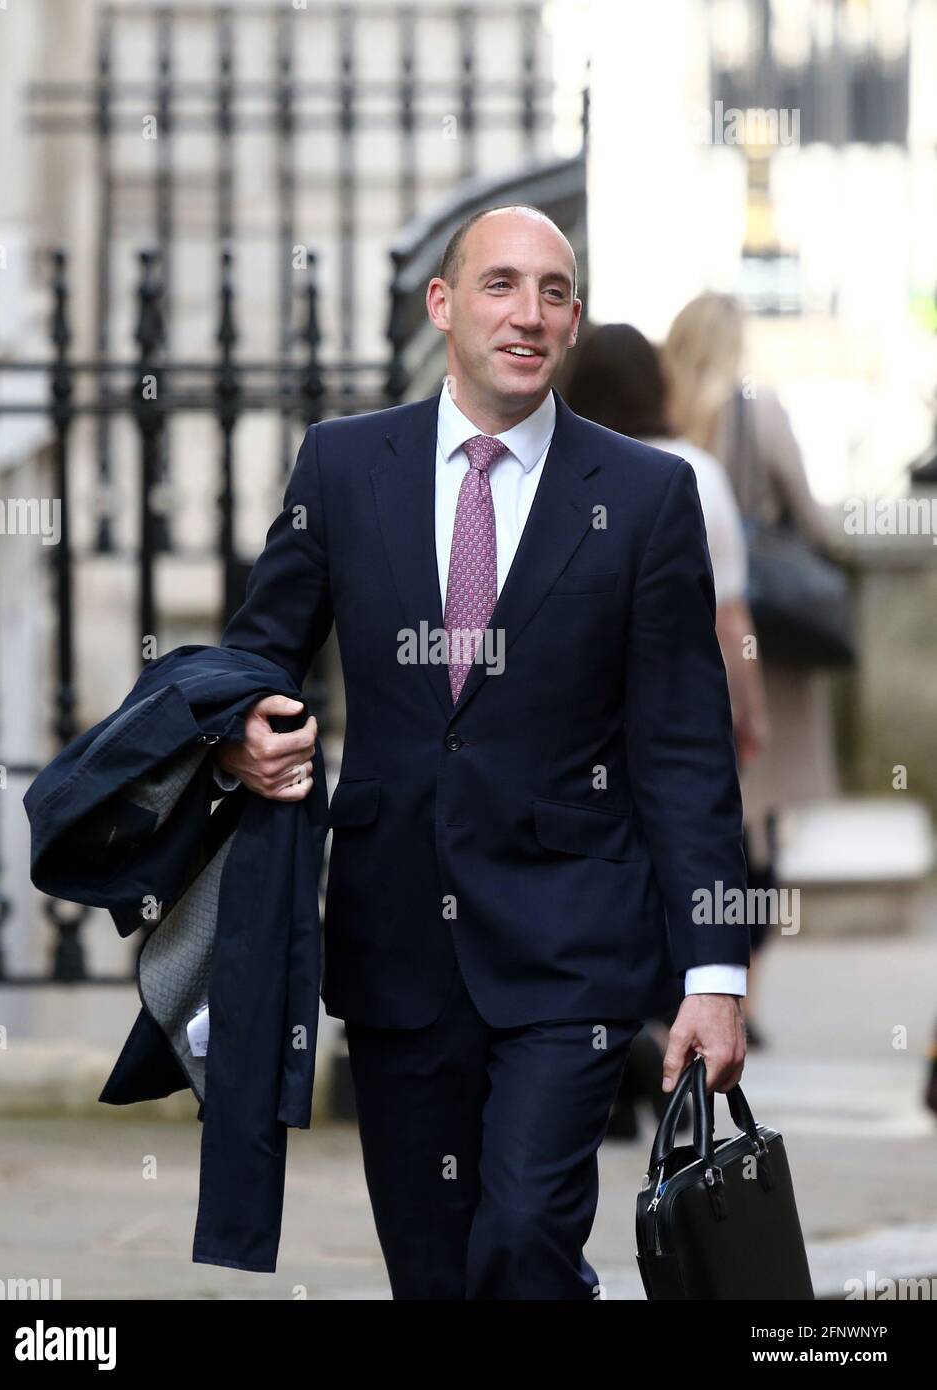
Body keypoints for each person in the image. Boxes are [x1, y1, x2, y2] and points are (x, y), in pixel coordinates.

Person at [213, 206, 749, 1300]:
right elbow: (258, 654)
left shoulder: (645, 497)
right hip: (397, 937)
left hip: (571, 948)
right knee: (434, 1269)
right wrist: (238, 741)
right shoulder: (345, 464)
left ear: (573, 322)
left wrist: (715, 972)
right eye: (501, 285)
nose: (530, 312)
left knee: (520, 1238)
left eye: (554, 292)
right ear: (444, 306)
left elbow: (685, 751)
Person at [562, 323, 768, 1134]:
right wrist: (743, 712)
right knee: (670, 871)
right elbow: (730, 616)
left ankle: (616, 1056)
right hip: (668, 717)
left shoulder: (571, 474)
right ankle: (640, 1037)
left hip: (588, 740)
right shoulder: (699, 473)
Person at [662, 293, 842, 1043]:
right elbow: (810, 512)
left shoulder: (660, 411)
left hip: (676, 638)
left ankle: (691, 987)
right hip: (754, 641)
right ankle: (746, 997)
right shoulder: (755, 409)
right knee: (759, 829)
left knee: (695, 823)